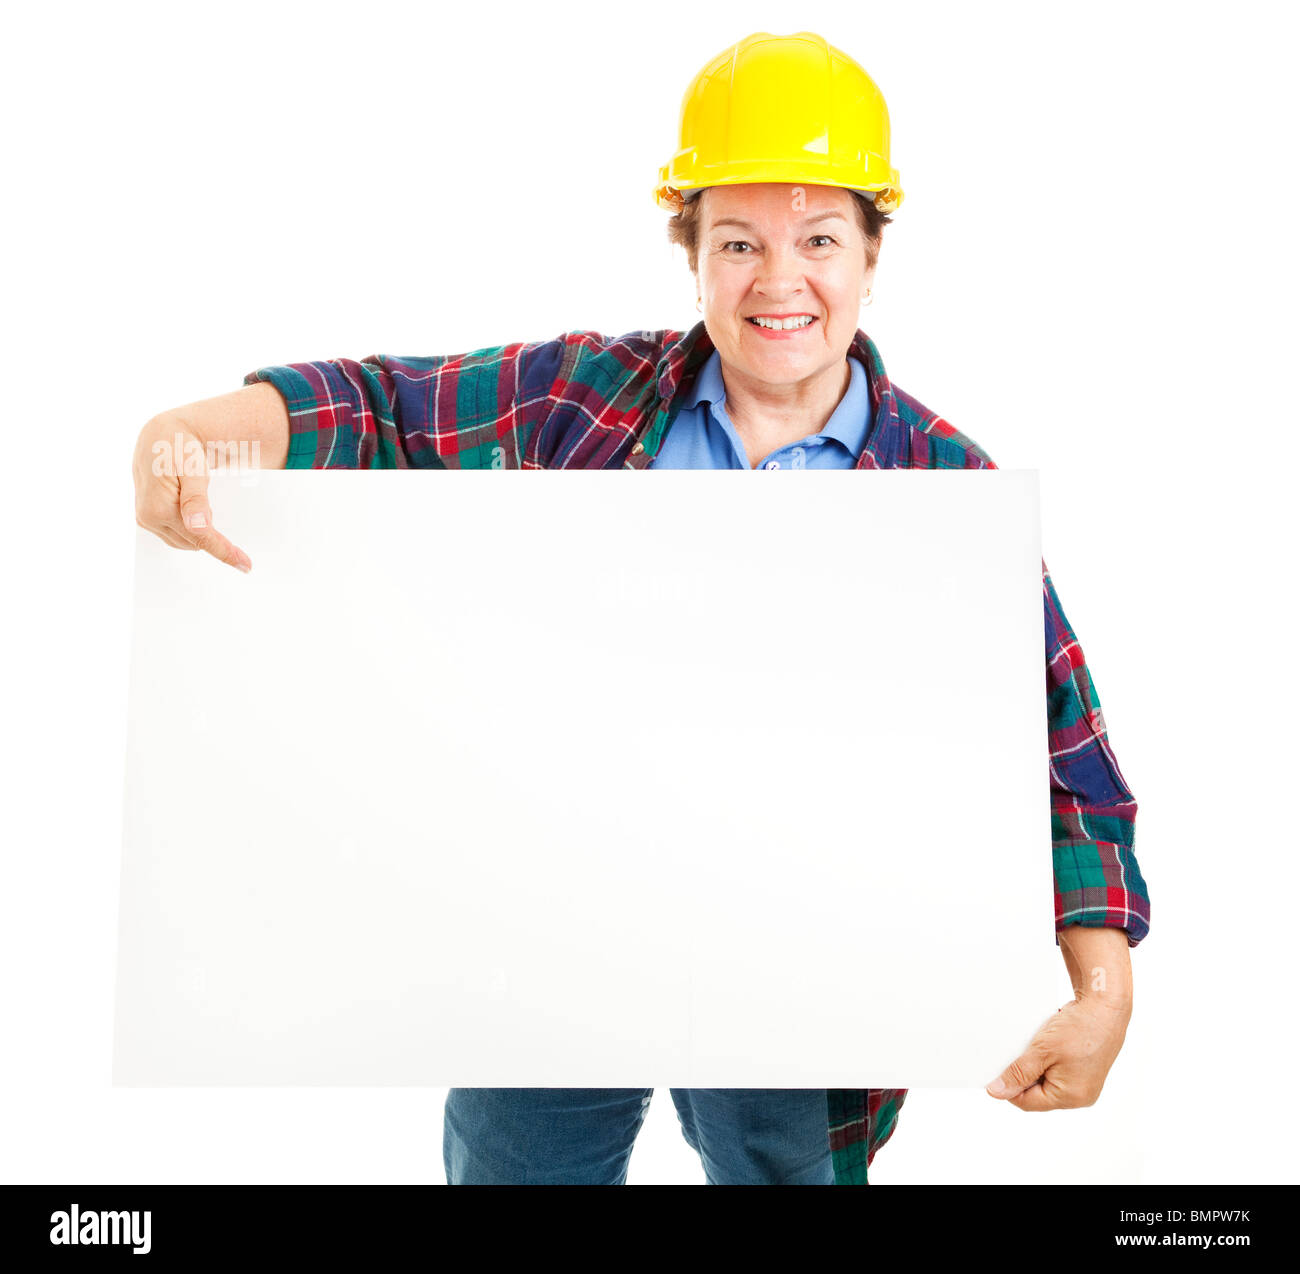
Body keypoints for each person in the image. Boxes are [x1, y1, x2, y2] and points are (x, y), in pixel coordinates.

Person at [131, 30, 1150, 1185]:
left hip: (803, 972)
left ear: (871, 253)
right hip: (554, 945)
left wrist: (1100, 986)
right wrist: (200, 433)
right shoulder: (582, 402)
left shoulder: (949, 492)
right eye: (738, 242)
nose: (778, 279)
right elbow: (380, 409)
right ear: (692, 251)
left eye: (818, 238)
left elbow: (1062, 759)